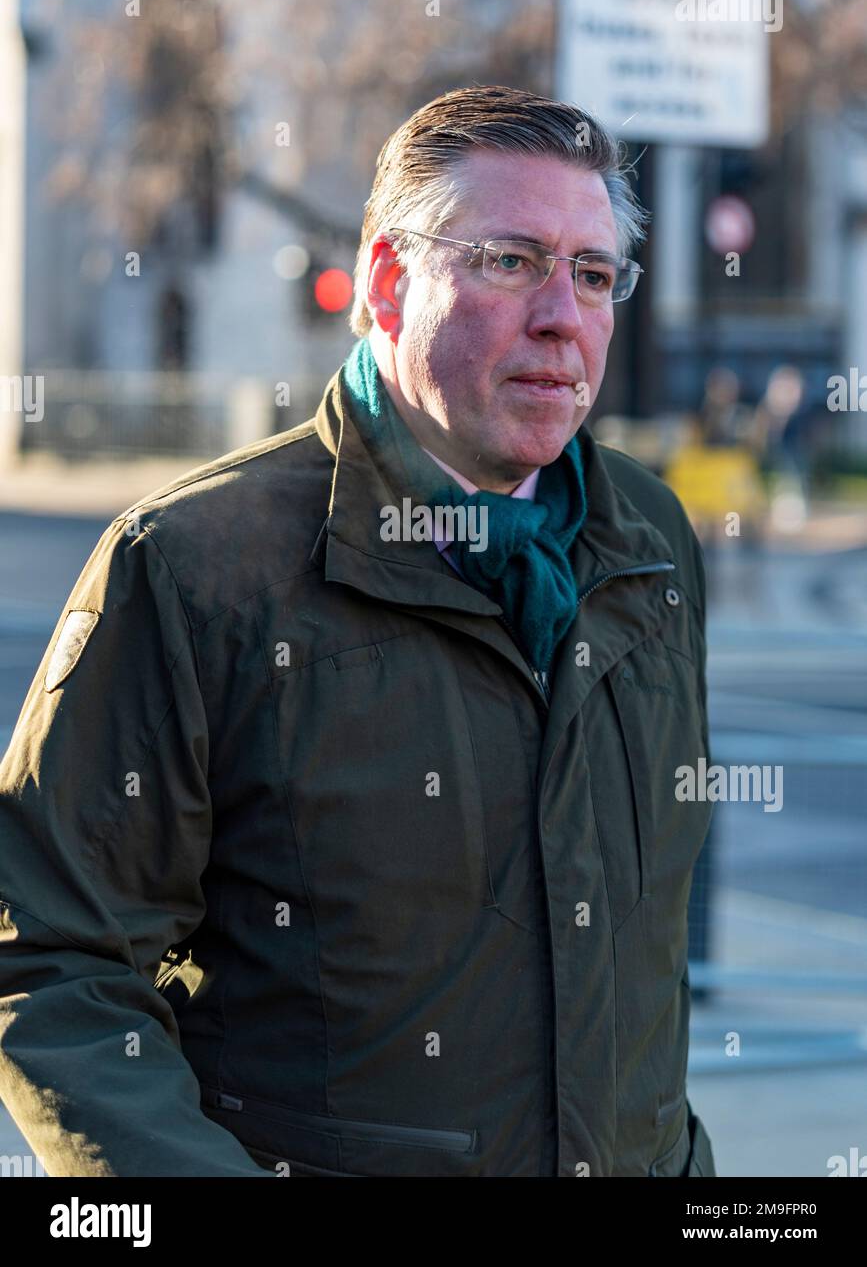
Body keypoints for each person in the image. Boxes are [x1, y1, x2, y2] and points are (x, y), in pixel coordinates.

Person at [0, 85, 716, 1178]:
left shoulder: (650, 541)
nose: (562, 317)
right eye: (511, 260)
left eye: (593, 273)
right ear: (387, 281)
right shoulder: (195, 564)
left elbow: (640, 983)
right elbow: (49, 956)